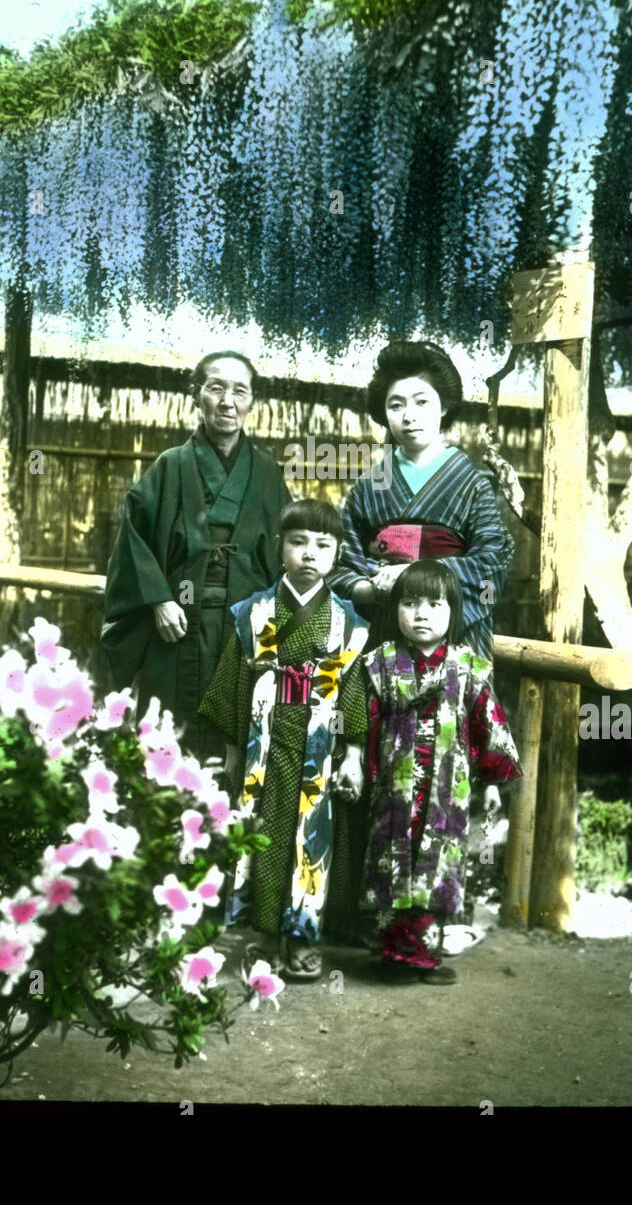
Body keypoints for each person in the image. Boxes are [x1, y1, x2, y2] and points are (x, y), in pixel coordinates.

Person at [326, 340, 515, 941]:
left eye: (422, 401)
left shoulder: (471, 478)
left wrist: (413, 578)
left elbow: (494, 558)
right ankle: (372, 916)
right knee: (383, 769)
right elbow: (342, 562)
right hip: (387, 634)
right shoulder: (370, 485)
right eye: (396, 404)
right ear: (383, 414)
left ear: (444, 407)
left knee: (448, 770)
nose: (409, 414)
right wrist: (367, 587)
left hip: (453, 634)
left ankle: (445, 918)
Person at [197, 499, 369, 980]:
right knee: (264, 839)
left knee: (310, 844)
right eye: (298, 542)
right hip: (263, 743)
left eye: (322, 545)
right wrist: (233, 751)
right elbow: (234, 682)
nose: (309, 554)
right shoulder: (254, 613)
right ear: (279, 549)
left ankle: (301, 939)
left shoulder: (346, 623)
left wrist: (353, 752)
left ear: (336, 554)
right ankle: (263, 937)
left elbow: (352, 689)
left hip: (317, 747)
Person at [102, 352, 291, 779]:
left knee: (238, 747)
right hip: (177, 624)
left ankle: (228, 838)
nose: (228, 401)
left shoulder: (265, 472)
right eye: (216, 388)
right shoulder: (171, 465)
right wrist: (157, 600)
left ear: (251, 402)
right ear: (197, 397)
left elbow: (289, 548)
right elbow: (133, 540)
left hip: (244, 628)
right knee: (167, 744)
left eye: (239, 391)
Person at [362, 559, 521, 985]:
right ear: (395, 609)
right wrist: (361, 768)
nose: (422, 613)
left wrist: (491, 784)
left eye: (435, 603)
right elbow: (369, 724)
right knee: (394, 860)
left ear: (454, 611)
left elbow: (490, 723)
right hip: (393, 786)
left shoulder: (468, 667)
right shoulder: (380, 664)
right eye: (410, 603)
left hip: (447, 788)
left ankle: (425, 952)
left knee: (438, 864)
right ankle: (391, 953)